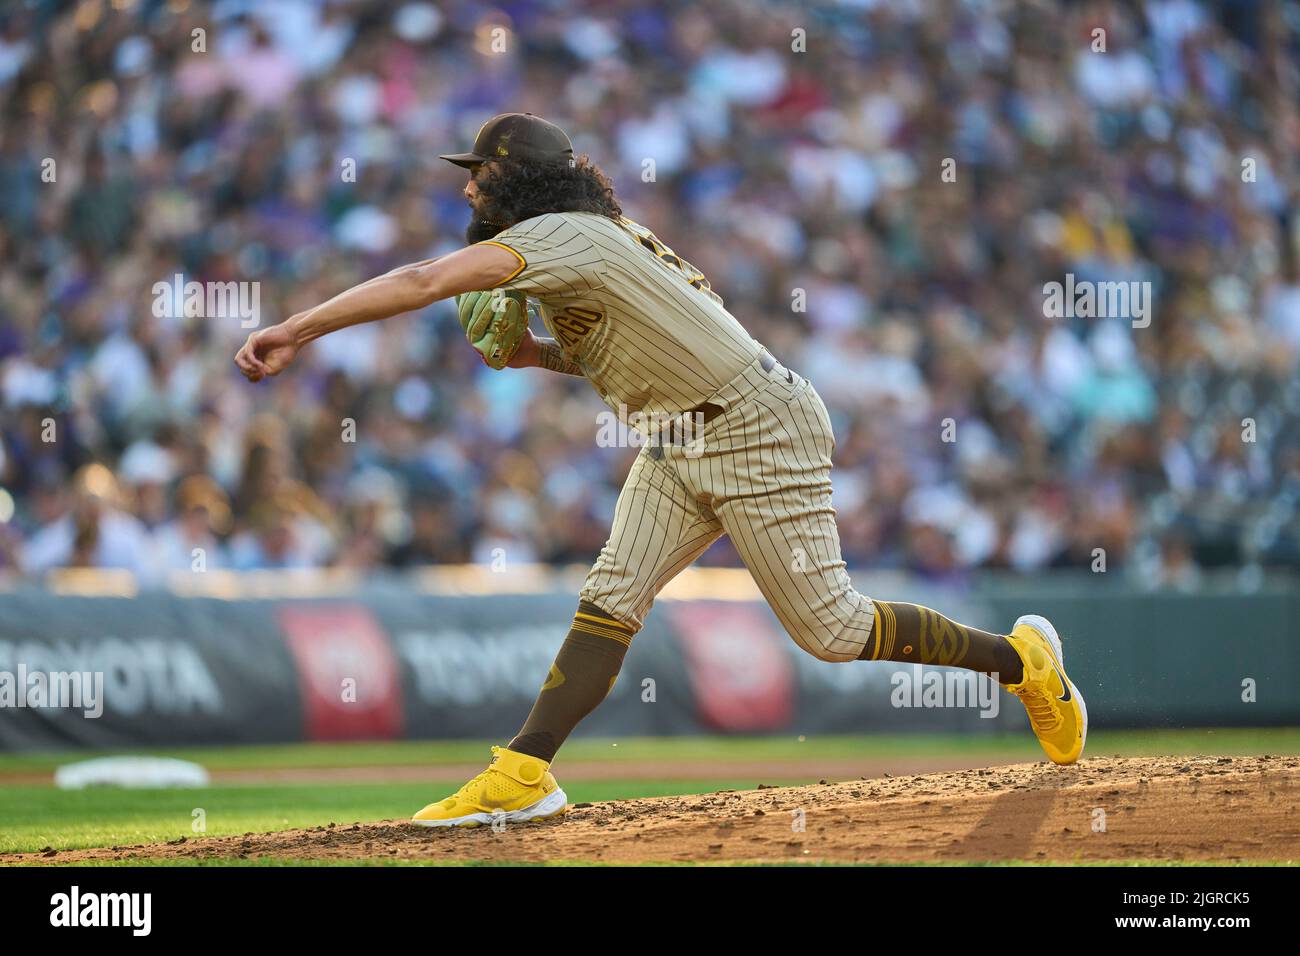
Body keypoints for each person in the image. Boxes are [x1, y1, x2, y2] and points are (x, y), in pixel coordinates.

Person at [235, 113, 1086, 828]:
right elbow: (631, 355)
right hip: (681, 432)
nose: (467, 187)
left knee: (832, 632)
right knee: (611, 595)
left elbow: (423, 279)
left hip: (758, 428)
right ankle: (525, 772)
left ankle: (1020, 661)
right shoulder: (591, 243)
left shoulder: (561, 238)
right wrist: (531, 354)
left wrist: (296, 330)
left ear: (519, 179)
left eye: (480, 172)